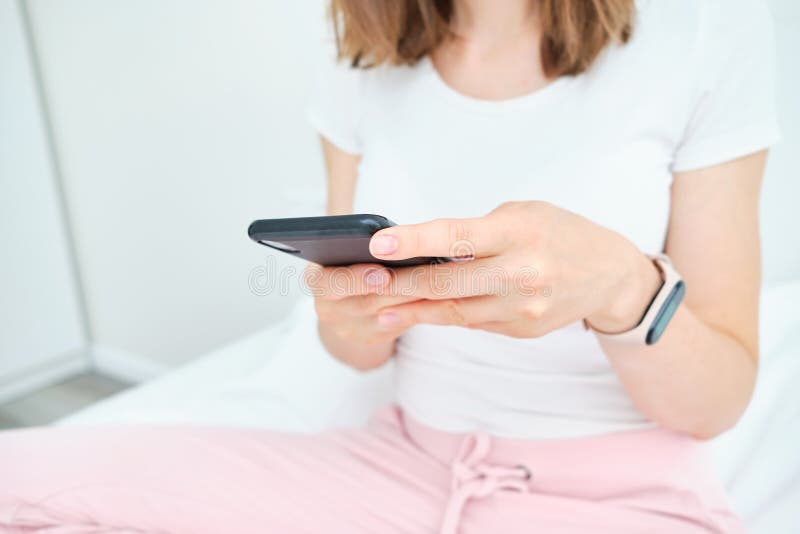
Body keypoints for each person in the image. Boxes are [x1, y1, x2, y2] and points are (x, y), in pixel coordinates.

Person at [0, 0, 779, 532]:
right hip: (399, 463)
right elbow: (352, 344)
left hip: (619, 496)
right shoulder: (364, 64)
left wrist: (622, 287)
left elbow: (717, 401)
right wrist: (351, 315)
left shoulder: (702, 40)